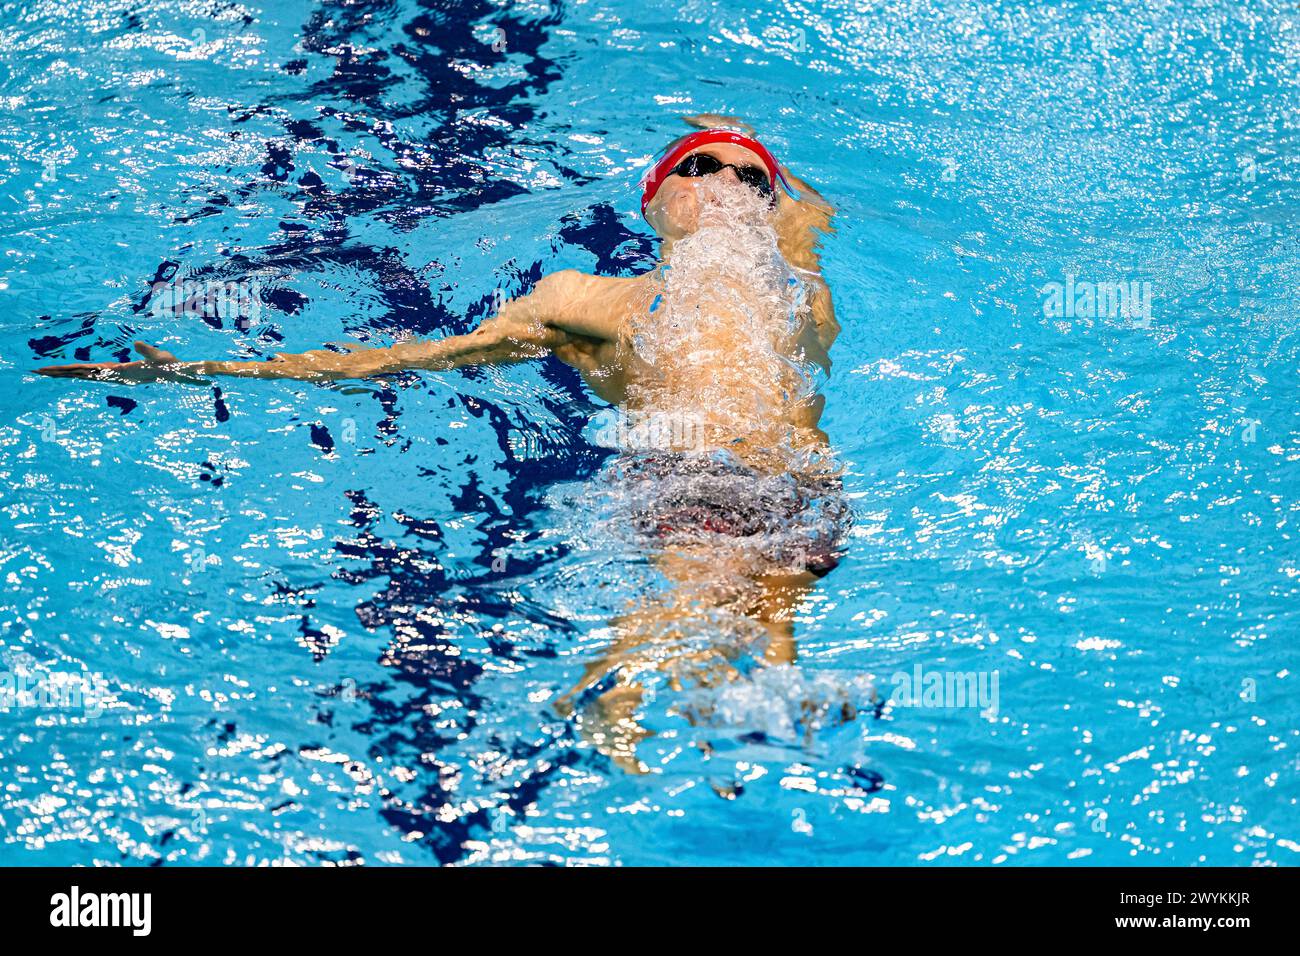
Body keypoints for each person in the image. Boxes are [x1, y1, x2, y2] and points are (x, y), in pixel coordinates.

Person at [39, 114, 848, 772]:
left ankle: (747, 741)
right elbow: (408, 358)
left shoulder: (798, 290)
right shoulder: (588, 302)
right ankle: (619, 717)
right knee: (678, 612)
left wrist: (743, 138)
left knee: (776, 627)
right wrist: (211, 370)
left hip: (805, 481)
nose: (730, 187)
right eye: (701, 169)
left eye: (749, 179)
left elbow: (811, 214)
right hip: (682, 474)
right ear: (653, 201)